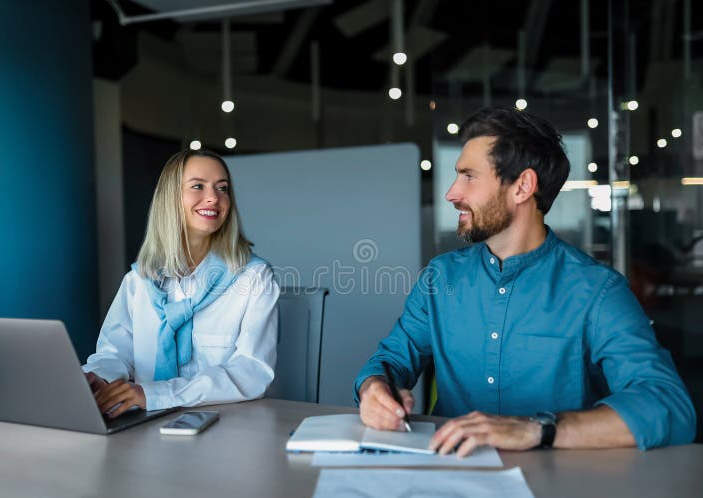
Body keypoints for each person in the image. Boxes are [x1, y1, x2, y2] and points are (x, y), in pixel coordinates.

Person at [354, 107, 696, 455]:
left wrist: (536, 429)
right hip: (447, 469)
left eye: (468, 177)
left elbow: (668, 405)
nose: (452, 193)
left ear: (522, 187)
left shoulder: (598, 291)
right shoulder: (440, 278)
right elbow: (389, 361)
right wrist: (374, 388)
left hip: (558, 481)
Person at [83, 149, 279, 418]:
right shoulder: (140, 280)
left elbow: (252, 371)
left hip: (228, 424)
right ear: (171, 198)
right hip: (145, 422)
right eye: (198, 186)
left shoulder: (254, 277)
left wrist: (155, 394)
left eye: (222, 188)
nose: (214, 197)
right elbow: (115, 352)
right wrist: (98, 378)